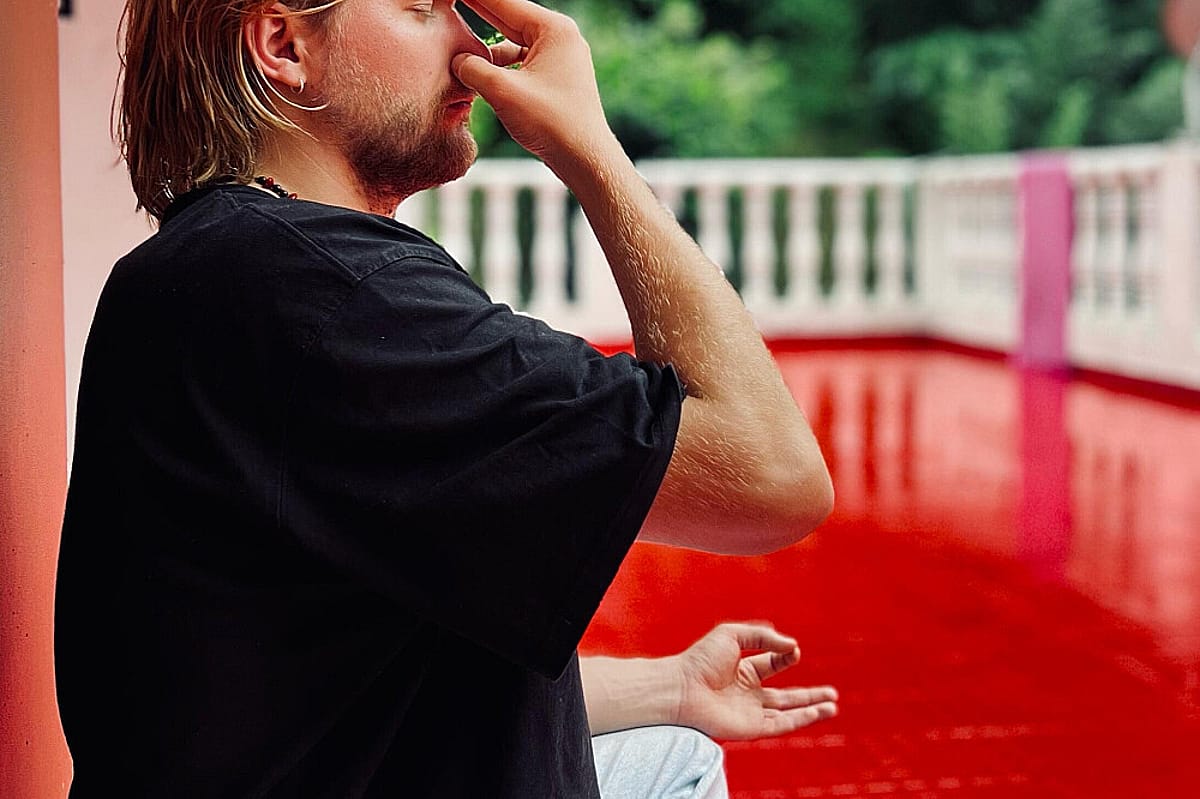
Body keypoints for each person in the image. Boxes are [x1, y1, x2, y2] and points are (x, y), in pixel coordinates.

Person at [54, 0, 837, 796]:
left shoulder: (212, 268)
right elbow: (774, 476)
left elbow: (347, 692)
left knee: (680, 752)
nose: (474, 40)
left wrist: (668, 688)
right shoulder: (328, 294)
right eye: (422, 8)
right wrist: (589, 149)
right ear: (284, 46)